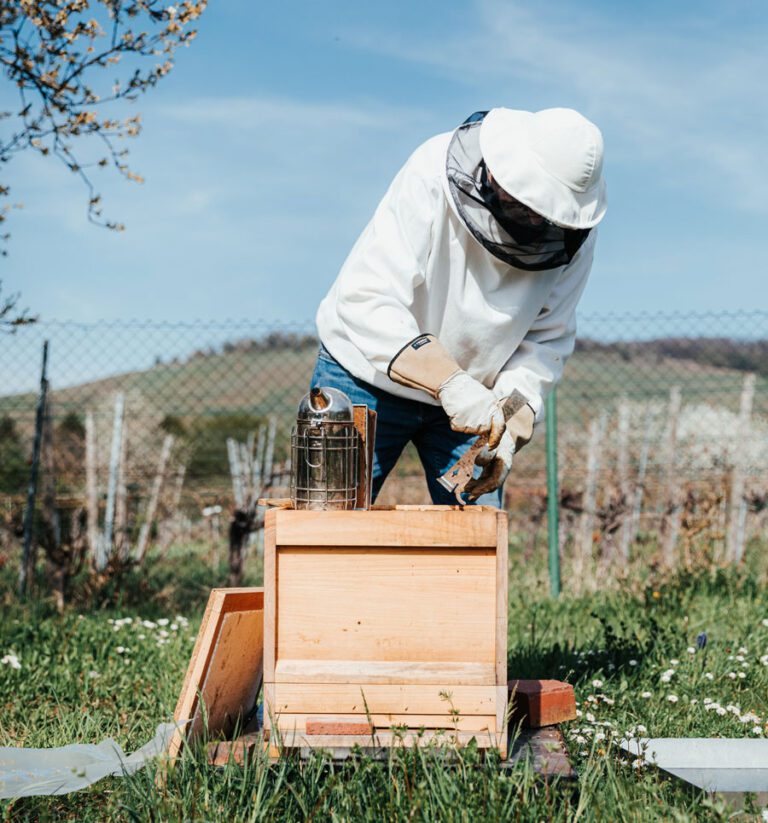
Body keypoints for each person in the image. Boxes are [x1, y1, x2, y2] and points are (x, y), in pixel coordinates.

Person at [312, 107, 606, 506]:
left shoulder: (574, 239)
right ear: (497, 172)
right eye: (524, 206)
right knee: (324, 531)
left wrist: (512, 417)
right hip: (365, 377)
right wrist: (449, 382)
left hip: (477, 405)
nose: (532, 221)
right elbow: (367, 297)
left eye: (544, 216)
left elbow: (545, 339)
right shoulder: (429, 172)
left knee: (478, 543)